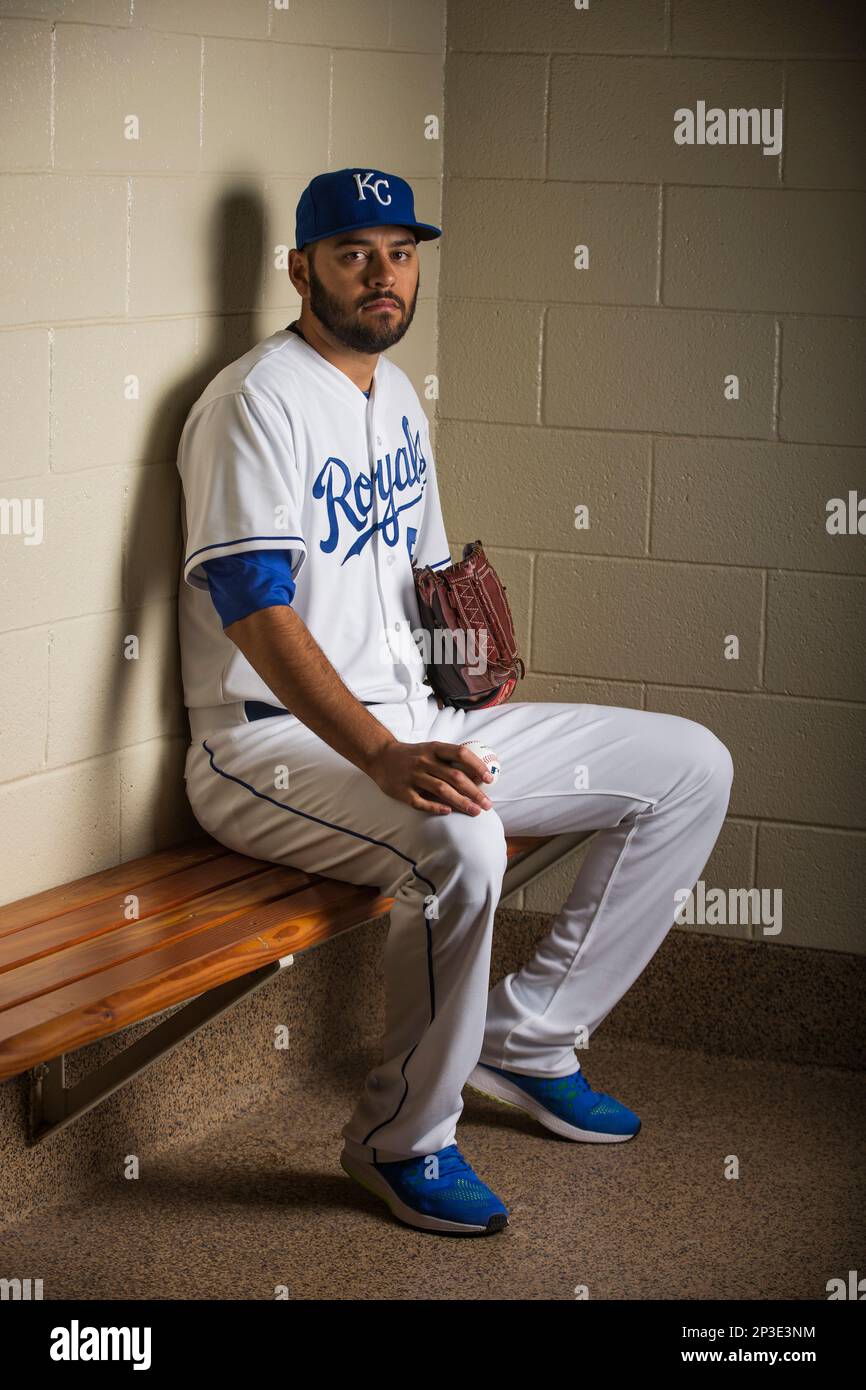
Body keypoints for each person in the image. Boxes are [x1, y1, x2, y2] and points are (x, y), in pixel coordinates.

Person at [176, 166, 734, 1237]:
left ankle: (528, 1036)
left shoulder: (397, 393)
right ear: (300, 270)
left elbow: (426, 567)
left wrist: (465, 672)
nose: (382, 275)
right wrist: (384, 753)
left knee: (688, 766)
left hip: (421, 727)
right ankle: (400, 1140)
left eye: (400, 251)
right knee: (463, 842)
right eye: (353, 254)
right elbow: (253, 605)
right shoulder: (255, 401)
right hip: (271, 750)